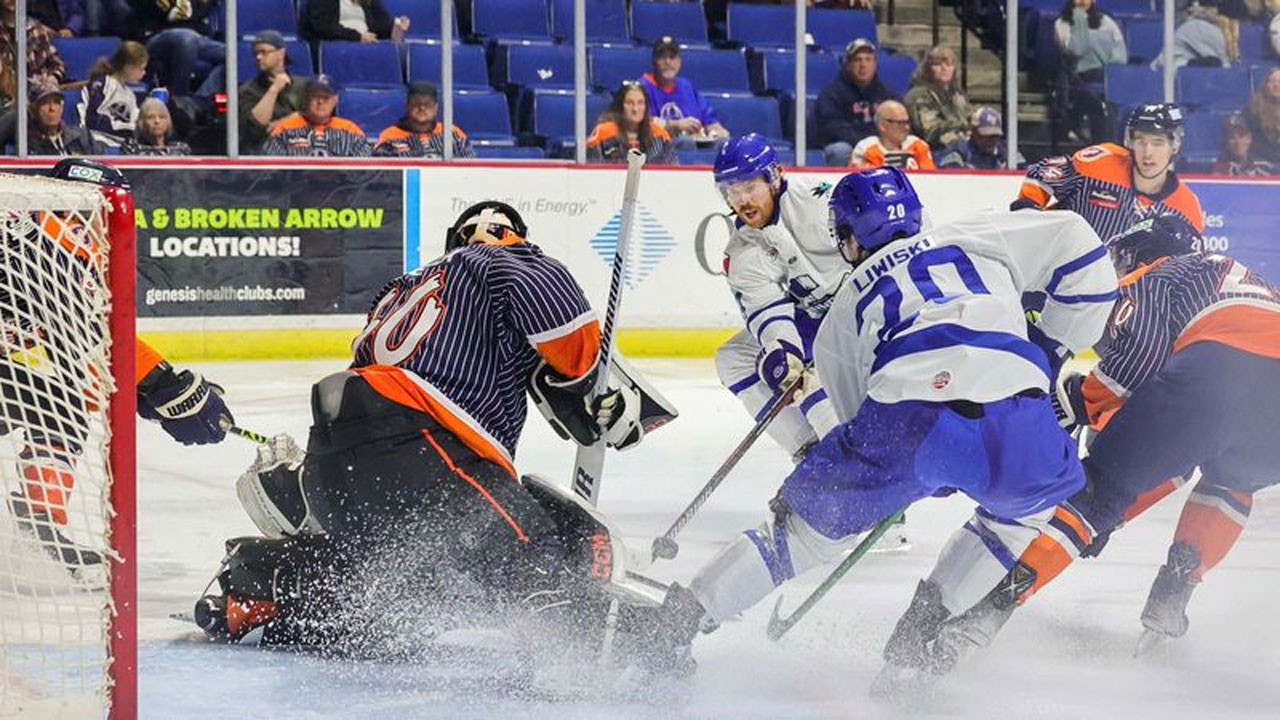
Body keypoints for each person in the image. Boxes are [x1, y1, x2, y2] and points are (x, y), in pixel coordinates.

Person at [631, 167, 1117, 679]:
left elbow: (854, 413)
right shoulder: (972, 232)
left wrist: (921, 471)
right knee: (1021, 517)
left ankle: (674, 625)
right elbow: (1080, 246)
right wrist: (1050, 348)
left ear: (847, 237)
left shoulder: (843, 313)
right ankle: (917, 643)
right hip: (1017, 407)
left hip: (906, 420)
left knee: (794, 538)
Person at [189, 201, 660, 659]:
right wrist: (584, 376)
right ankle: (590, 651)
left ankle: (259, 587)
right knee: (530, 547)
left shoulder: (403, 288)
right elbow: (554, 320)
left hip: (339, 457)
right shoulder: (500, 257)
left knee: (404, 593)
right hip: (422, 447)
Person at [906, 214, 1280, 676]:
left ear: (1143, 252)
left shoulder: (1160, 273)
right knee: (1232, 478)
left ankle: (984, 615)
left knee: (1097, 494)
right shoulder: (1241, 282)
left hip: (1218, 375)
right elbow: (1178, 444)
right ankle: (1174, 590)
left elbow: (1131, 370)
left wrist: (1072, 405)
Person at [5, 158, 233, 580]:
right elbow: (92, 336)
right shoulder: (56, 233)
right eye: (104, 209)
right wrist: (164, 386)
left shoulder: (30, 225)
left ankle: (40, 524)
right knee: (64, 403)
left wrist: (155, 389)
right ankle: (40, 524)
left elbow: (84, 342)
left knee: (62, 403)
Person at [709, 133, 841, 464]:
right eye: (732, 191)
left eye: (749, 186)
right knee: (735, 358)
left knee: (820, 379)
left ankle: (853, 472)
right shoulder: (741, 253)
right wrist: (785, 352)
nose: (741, 200)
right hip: (817, 319)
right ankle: (811, 453)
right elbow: (767, 313)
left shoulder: (818, 200)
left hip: (865, 307)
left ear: (774, 176)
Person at [1014, 103, 1205, 242]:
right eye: (1140, 141)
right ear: (1130, 141)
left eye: (1157, 143)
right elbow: (1044, 173)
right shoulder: (1099, 164)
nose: (1148, 152)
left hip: (1126, 292)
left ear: (1175, 145)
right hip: (1059, 275)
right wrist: (1029, 212)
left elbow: (1184, 265)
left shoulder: (1186, 209)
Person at [1053, 0, 1126, 146]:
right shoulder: (1062, 24)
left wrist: (1110, 70)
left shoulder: (1106, 22)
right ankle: (1100, 143)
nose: (1082, 1)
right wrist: (1080, 18)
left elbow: (1120, 55)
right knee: (1096, 103)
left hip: (1107, 75)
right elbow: (1078, 49)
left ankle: (1079, 128)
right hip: (1077, 76)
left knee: (1109, 101)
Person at [814, 38, 897, 166]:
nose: (863, 65)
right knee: (841, 150)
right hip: (847, 144)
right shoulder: (832, 93)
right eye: (858, 60)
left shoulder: (886, 94)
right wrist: (864, 144)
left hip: (877, 145)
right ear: (848, 65)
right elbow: (832, 126)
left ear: (875, 64)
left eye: (868, 59)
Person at [0, 0, 67, 150]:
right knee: (15, 114)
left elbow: (58, 64)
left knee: (49, 107)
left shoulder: (37, 30)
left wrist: (51, 80)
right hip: (6, 98)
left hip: (37, 95)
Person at [640, 36, 729, 148]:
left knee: (724, 143)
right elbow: (641, 123)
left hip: (696, 144)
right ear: (654, 62)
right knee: (685, 143)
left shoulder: (687, 86)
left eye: (672, 57)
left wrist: (717, 130)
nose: (668, 62)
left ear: (679, 61)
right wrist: (676, 125)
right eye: (662, 58)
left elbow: (709, 119)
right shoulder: (642, 87)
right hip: (659, 149)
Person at [237, 30, 309, 156]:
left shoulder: (304, 85)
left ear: (281, 53)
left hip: (303, 146)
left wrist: (284, 123)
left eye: (264, 52)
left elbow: (317, 117)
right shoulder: (247, 90)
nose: (258, 57)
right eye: (256, 53)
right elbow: (256, 127)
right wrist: (274, 89)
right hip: (265, 150)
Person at [262, 75, 370, 157]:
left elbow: (365, 171)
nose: (320, 101)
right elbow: (271, 170)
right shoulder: (285, 128)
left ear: (335, 100)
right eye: (315, 96)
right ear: (306, 99)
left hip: (341, 185)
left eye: (326, 97)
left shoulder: (350, 129)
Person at [135, 0, 224, 97]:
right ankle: (178, 100)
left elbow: (198, 13)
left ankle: (200, 100)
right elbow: (176, 13)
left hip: (199, 39)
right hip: (158, 36)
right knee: (187, 38)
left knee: (235, 55)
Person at [373, 81, 475, 159]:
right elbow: (381, 174)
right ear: (407, 106)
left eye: (427, 104)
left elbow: (471, 167)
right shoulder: (389, 136)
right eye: (416, 103)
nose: (422, 108)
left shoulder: (452, 133)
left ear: (436, 108)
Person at [586, 81, 676, 165]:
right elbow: (591, 170)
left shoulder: (660, 136)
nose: (635, 109)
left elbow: (673, 170)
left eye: (640, 103)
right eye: (629, 103)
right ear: (620, 106)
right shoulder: (603, 133)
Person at [79, 40, 147, 147]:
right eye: (141, 69)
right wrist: (126, 129)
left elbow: (135, 123)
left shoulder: (130, 95)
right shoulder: (103, 83)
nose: (144, 73)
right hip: (98, 141)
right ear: (128, 67)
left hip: (122, 144)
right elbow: (94, 119)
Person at [902, 45, 971, 151]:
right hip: (929, 152)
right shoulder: (918, 95)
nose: (944, 68)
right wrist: (959, 126)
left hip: (959, 149)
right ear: (928, 69)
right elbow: (930, 131)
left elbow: (969, 121)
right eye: (937, 64)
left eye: (949, 64)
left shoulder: (957, 94)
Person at [849, 99, 936, 170]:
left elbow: (931, 178)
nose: (906, 128)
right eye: (900, 123)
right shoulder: (865, 148)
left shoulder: (918, 145)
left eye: (907, 122)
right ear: (882, 126)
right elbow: (857, 179)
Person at [936, 106, 1022, 170]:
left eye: (995, 136)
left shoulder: (1009, 152)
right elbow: (949, 180)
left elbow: (1025, 174)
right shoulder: (959, 153)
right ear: (974, 132)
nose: (991, 141)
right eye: (985, 136)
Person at [26, 79, 97, 155]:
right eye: (45, 103)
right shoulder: (27, 146)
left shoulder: (81, 136)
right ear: (33, 109)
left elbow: (102, 163)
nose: (52, 108)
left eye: (56, 102)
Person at [302, 0, 409, 43]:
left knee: (401, 49)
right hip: (337, 44)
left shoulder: (369, 1)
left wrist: (396, 27)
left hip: (367, 44)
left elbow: (382, 23)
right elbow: (323, 26)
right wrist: (358, 37)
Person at [122, 97, 190, 155]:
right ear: (141, 122)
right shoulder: (132, 147)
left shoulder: (180, 149)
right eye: (150, 117)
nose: (157, 121)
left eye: (162, 117)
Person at [1245, 66, 1280, 163]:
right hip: (1264, 161)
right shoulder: (1253, 110)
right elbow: (1252, 143)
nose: (1276, 85)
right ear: (1265, 85)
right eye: (1272, 81)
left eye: (1279, 81)